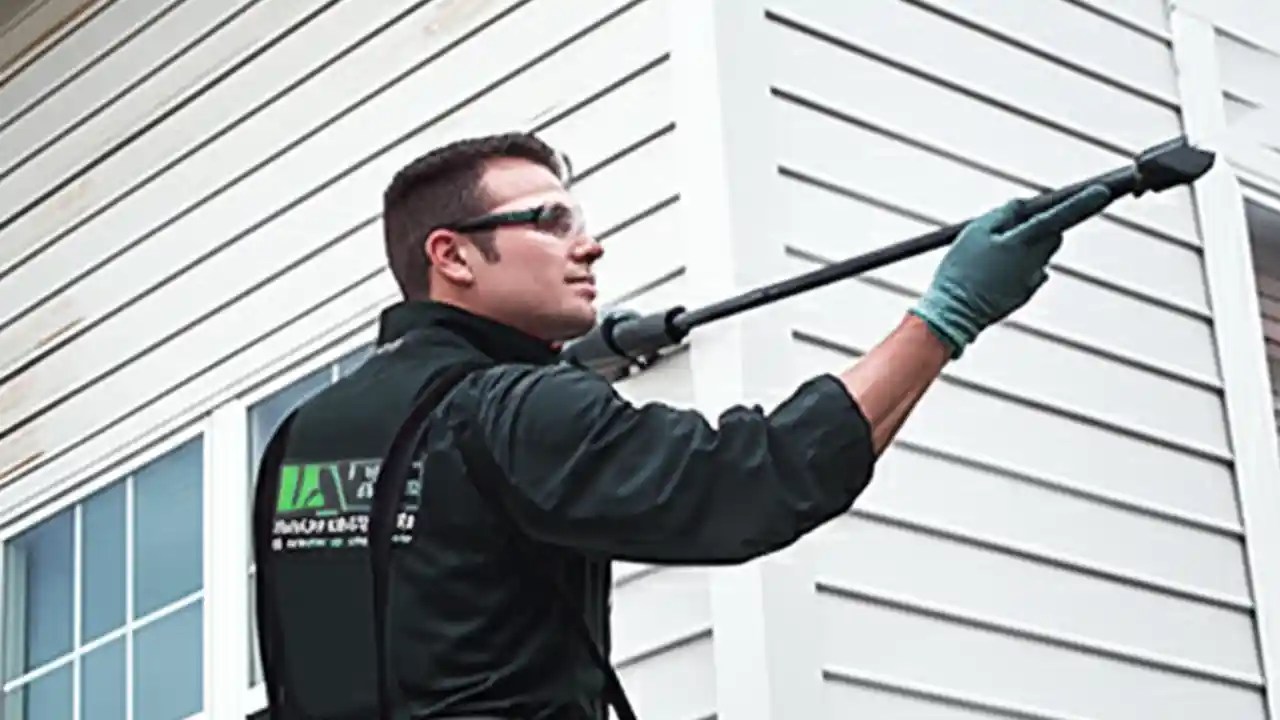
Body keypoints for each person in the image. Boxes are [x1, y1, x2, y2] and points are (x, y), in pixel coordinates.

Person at [251, 131, 1111, 720]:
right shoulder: (511, 407)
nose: (587, 245)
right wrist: (947, 318)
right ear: (453, 256)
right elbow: (754, 481)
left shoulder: (298, 440)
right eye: (548, 221)